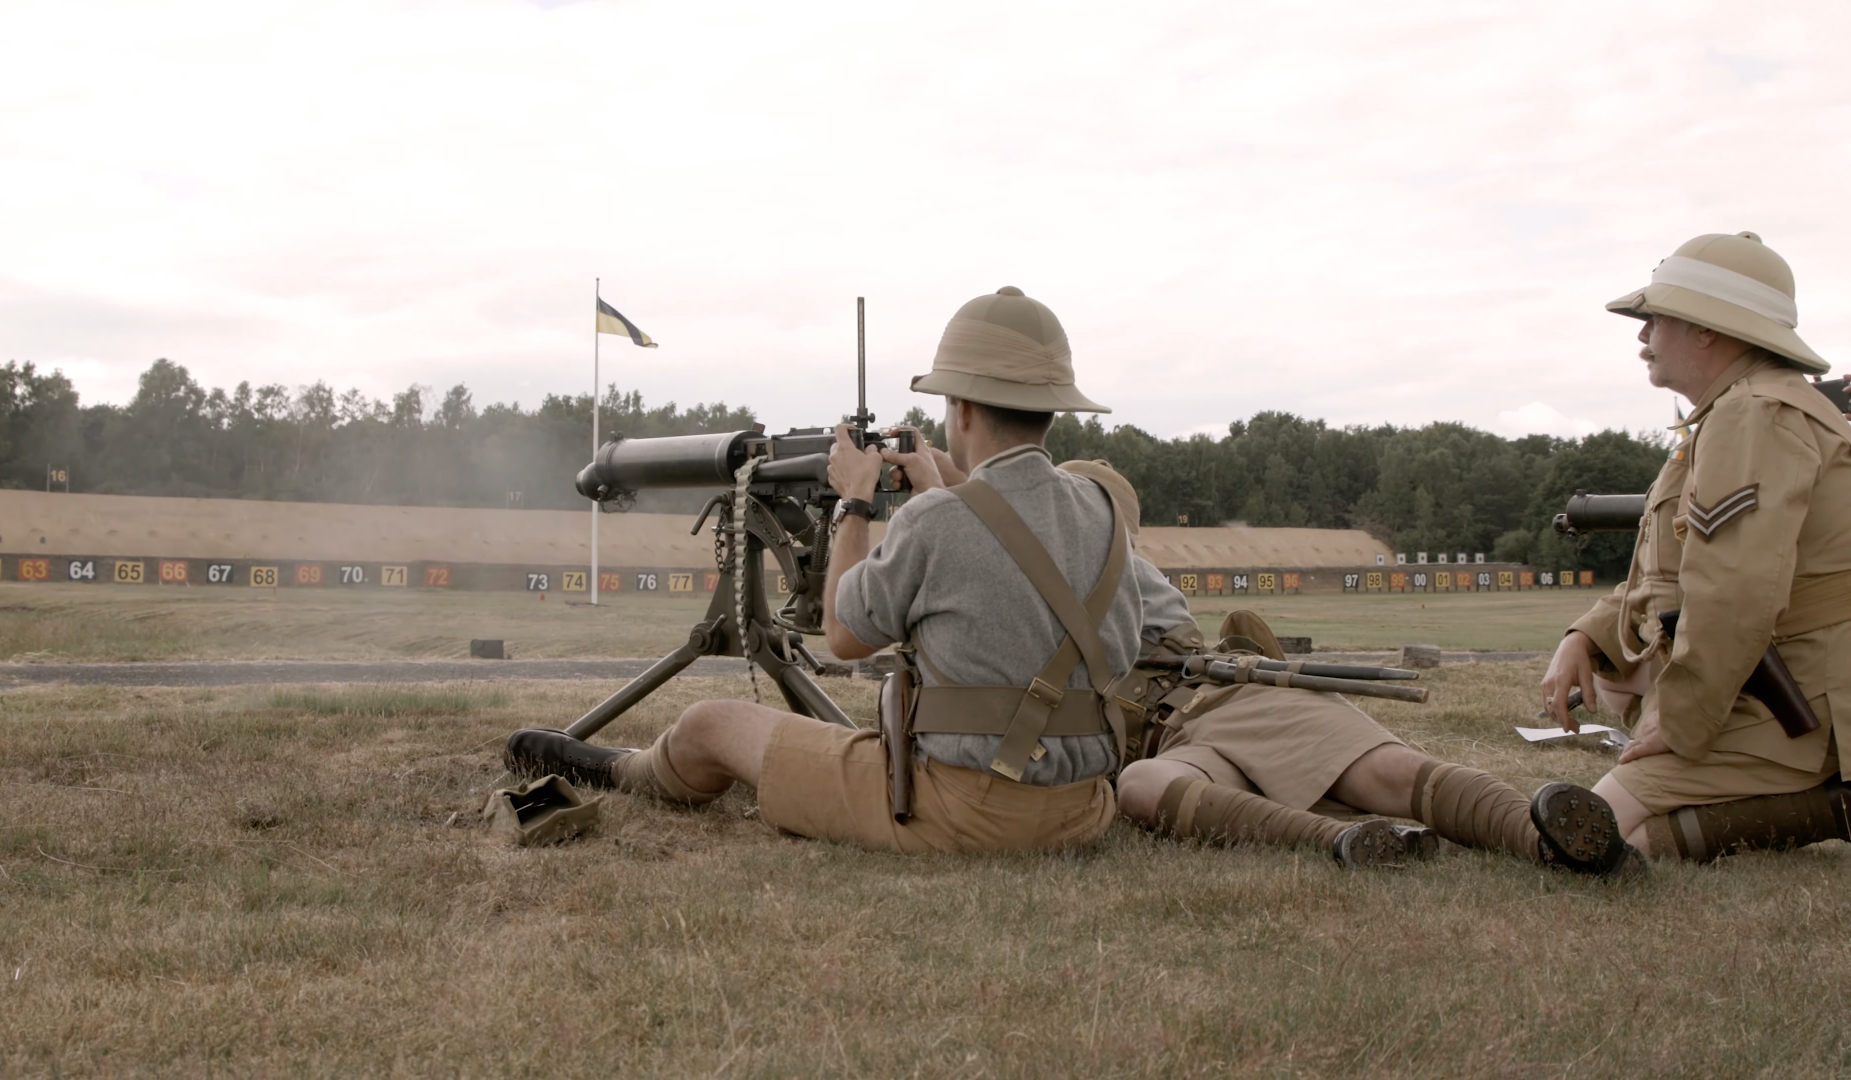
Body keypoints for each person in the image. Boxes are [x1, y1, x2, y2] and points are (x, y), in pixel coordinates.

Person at [503, 286, 1199, 853]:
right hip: (1085, 806)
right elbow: (1031, 550)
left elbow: (841, 633)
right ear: (1052, 411)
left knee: (711, 724)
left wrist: (856, 503)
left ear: (957, 409)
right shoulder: (1103, 510)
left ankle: (618, 769)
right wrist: (946, 485)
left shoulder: (937, 523)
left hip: (969, 815)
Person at [1060, 460, 1633, 875]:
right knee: (1143, 785)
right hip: (1174, 739)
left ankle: (1541, 838)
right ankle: (1345, 839)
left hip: (1233, 697)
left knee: (1391, 773)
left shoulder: (1124, 570)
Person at [1540, 231, 1851, 862]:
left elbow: (1735, 594)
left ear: (1708, 330)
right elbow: (1672, 569)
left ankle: (1830, 805)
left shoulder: (1752, 416)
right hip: (1765, 674)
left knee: (1597, 836)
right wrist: (1588, 636)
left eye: (1657, 317)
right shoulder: (1734, 412)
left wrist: (1678, 724)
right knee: (1620, 705)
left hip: (1796, 696)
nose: (1642, 334)